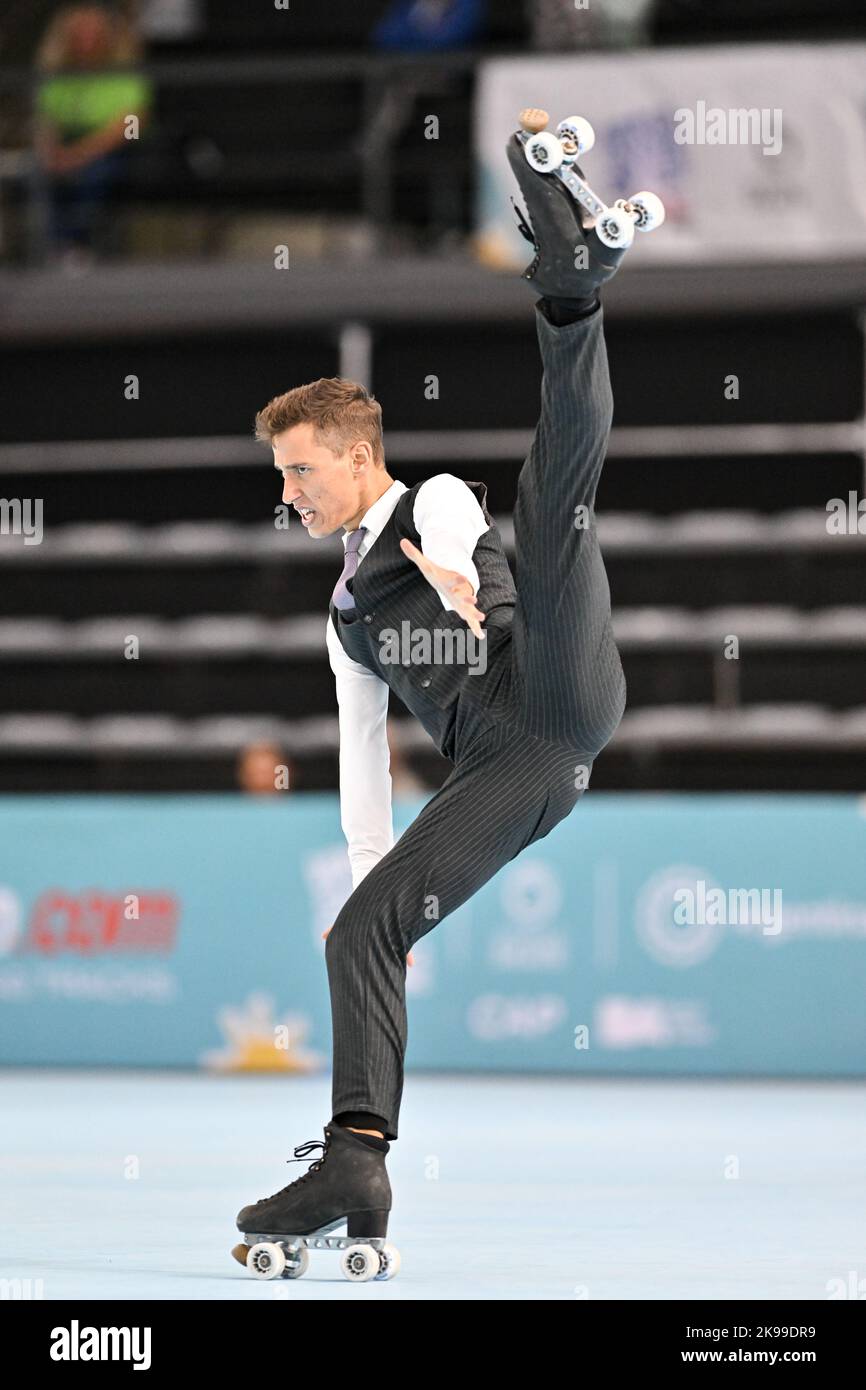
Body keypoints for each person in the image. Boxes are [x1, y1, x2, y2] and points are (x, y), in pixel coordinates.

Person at [234, 117, 631, 1265]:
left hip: (543, 671)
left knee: (553, 502)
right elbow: (363, 766)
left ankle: (569, 293)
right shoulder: (343, 617)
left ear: (357, 458)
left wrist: (467, 586)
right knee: (354, 934)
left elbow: (459, 526)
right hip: (510, 765)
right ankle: (355, 1157)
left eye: (301, 469)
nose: (290, 490)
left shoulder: (427, 500)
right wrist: (376, 905)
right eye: (281, 476)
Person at [33, 4, 151, 264]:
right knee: (39, 170)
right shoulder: (57, 76)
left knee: (98, 172)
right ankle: (55, 246)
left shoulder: (124, 74)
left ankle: (77, 245)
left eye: (93, 34)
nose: (86, 41)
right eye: (79, 34)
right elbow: (46, 121)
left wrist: (80, 155)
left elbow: (132, 125)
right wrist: (51, 153)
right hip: (67, 146)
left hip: (112, 147)